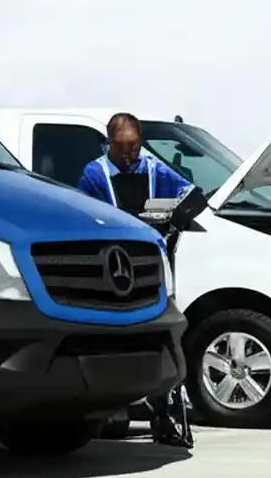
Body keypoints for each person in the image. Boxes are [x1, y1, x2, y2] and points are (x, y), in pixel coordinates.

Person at [76, 112, 195, 449]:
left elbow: (189, 194)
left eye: (134, 147)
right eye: (121, 147)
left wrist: (172, 212)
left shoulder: (155, 170)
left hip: (153, 264)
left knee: (158, 336)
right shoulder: (95, 174)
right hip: (112, 266)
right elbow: (86, 214)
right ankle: (113, 409)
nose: (129, 154)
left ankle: (164, 412)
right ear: (108, 143)